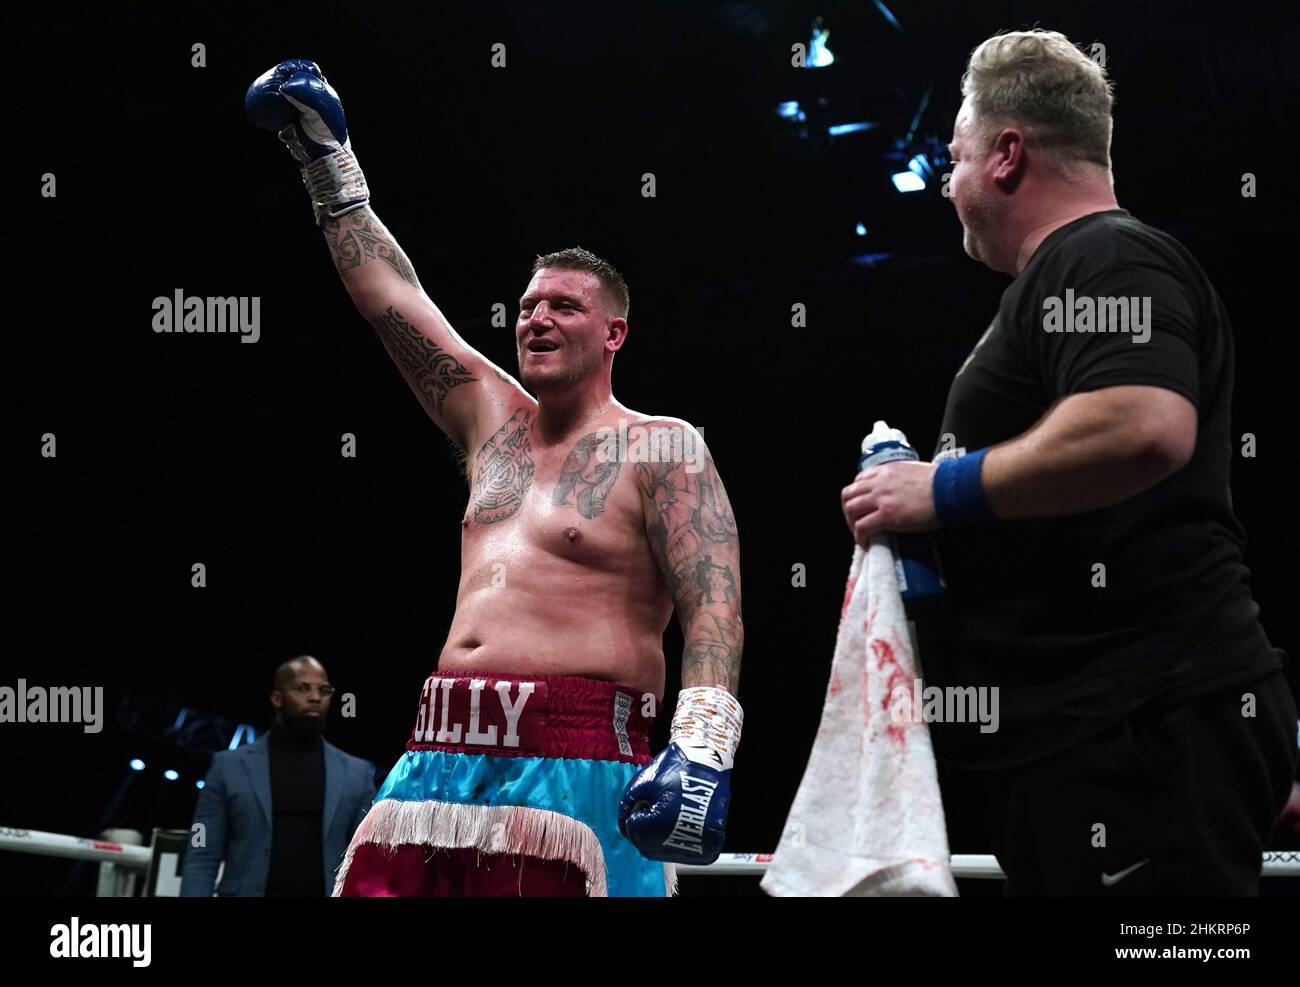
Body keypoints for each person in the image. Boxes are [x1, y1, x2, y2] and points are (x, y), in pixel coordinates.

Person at [243, 61, 746, 896]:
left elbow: (715, 608)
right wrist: (328, 164)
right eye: (527, 305)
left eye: (563, 306)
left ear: (615, 330)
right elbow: (390, 298)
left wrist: (702, 744)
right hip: (437, 749)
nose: (536, 316)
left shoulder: (665, 448)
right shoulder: (489, 419)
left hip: (576, 759)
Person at [841, 29, 1297, 895]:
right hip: (1119, 732)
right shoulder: (1070, 275)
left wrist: (938, 487)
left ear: (1008, 154)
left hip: (1136, 727)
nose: (946, 182)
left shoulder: (1103, 253)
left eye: (957, 154)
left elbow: (1144, 423)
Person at [180, 655, 377, 896]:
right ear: (277, 698)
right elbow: (202, 851)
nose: (316, 697)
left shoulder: (356, 774)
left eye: (324, 690)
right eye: (302, 688)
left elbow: (367, 861)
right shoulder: (228, 767)